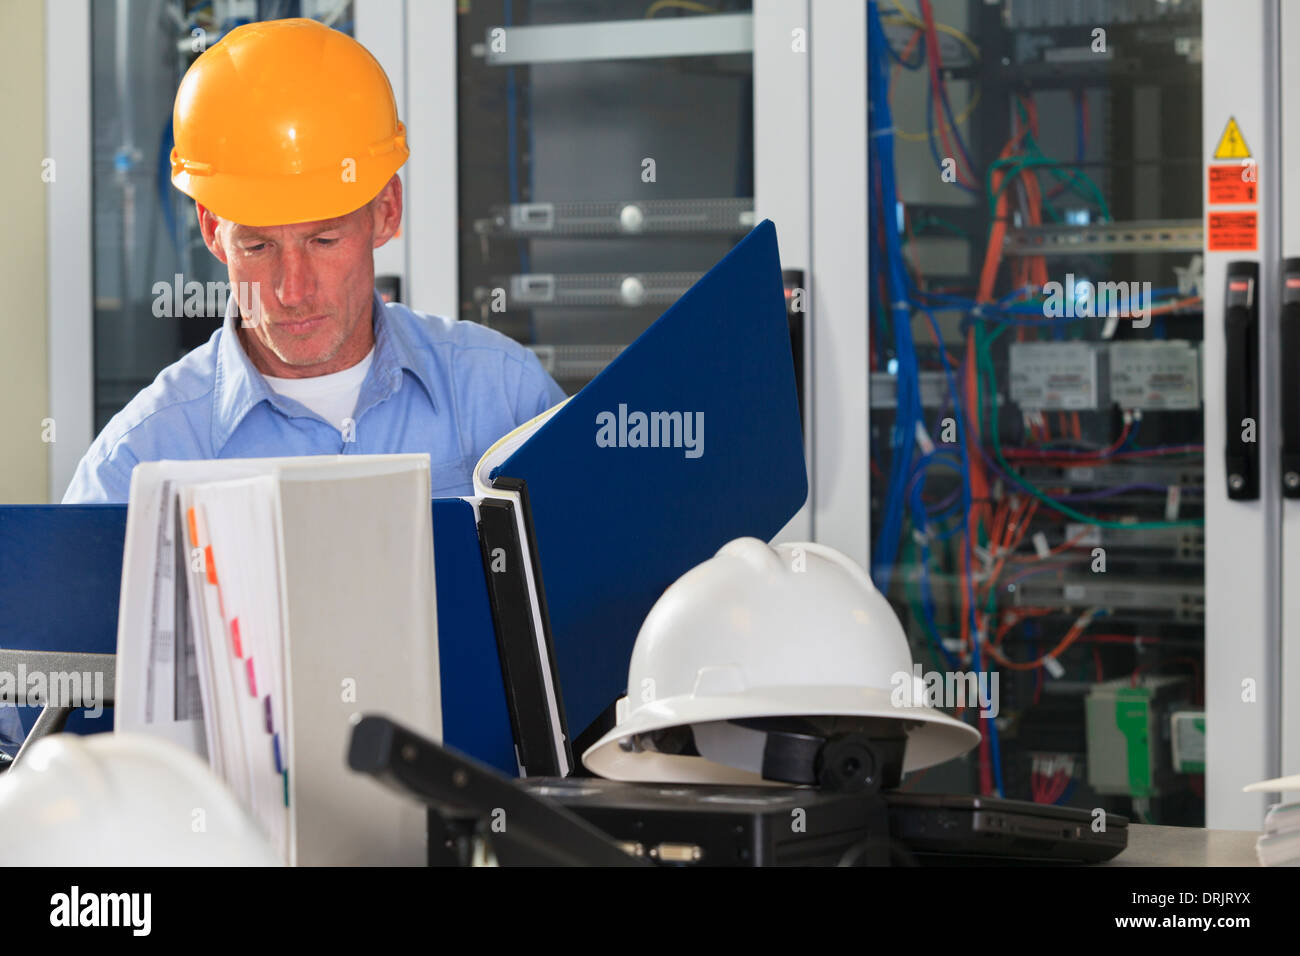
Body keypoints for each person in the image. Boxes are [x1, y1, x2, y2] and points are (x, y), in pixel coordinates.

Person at [64, 18, 563, 504]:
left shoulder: (505, 397)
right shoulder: (135, 463)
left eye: (324, 240)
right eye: (258, 247)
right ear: (213, 231)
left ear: (386, 212)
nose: (292, 291)